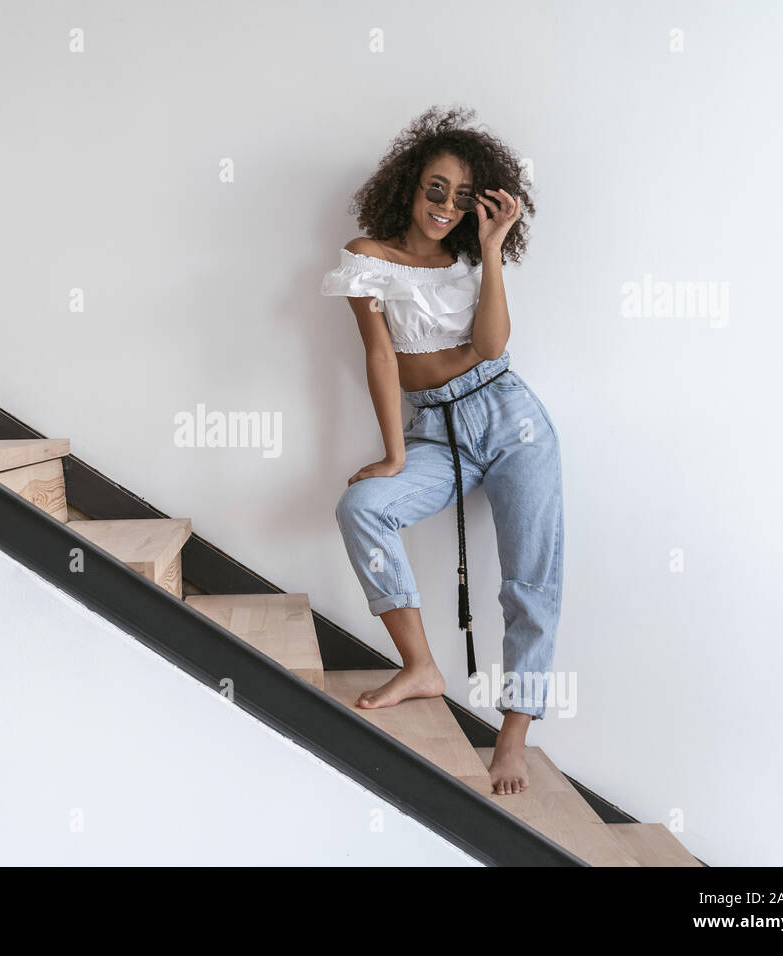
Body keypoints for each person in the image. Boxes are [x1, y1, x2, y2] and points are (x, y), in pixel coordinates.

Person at [321, 106, 563, 796]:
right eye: (436, 189)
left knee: (531, 580)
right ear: (409, 185)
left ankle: (512, 735)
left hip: (512, 419)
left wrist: (490, 247)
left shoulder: (468, 258)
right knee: (362, 506)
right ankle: (422, 667)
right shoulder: (368, 258)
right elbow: (378, 357)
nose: (446, 207)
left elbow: (490, 348)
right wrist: (394, 455)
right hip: (432, 427)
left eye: (462, 198)